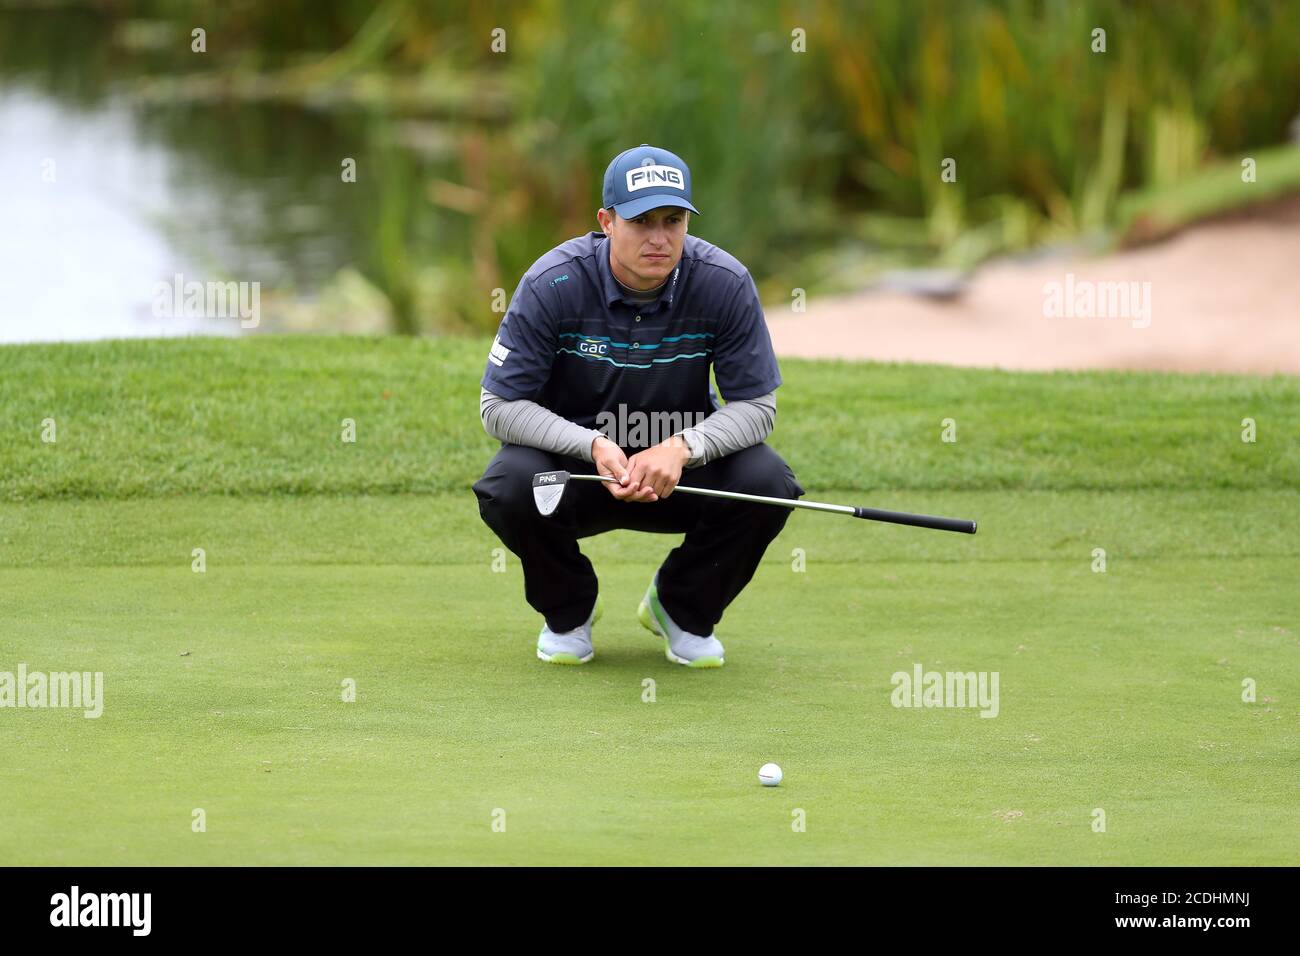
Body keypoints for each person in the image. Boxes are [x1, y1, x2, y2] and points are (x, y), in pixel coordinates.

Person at [472, 144, 803, 668]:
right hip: (578, 474)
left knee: (768, 481)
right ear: (606, 221)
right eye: (641, 220)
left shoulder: (724, 282)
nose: (659, 237)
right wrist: (593, 444)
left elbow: (757, 407)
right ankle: (568, 611)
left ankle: (682, 609)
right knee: (509, 484)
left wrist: (682, 447)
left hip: (678, 475)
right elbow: (499, 406)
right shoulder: (551, 283)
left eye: (673, 220)